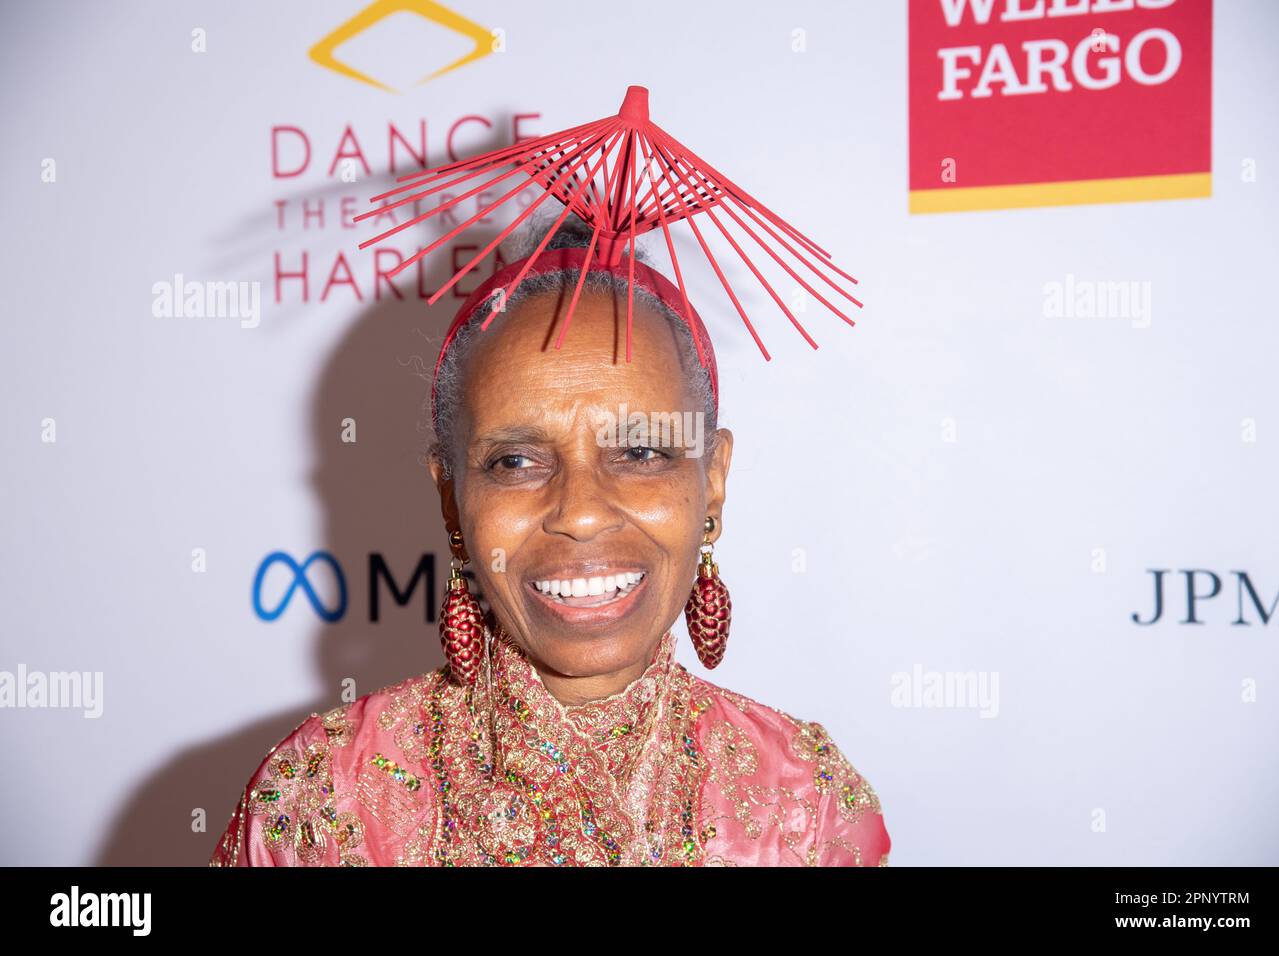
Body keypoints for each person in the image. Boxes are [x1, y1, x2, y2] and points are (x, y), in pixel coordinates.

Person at [209, 87, 890, 867]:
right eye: (516, 462)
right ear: (451, 500)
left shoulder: (803, 804)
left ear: (715, 483)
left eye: (640, 452)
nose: (581, 512)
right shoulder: (321, 801)